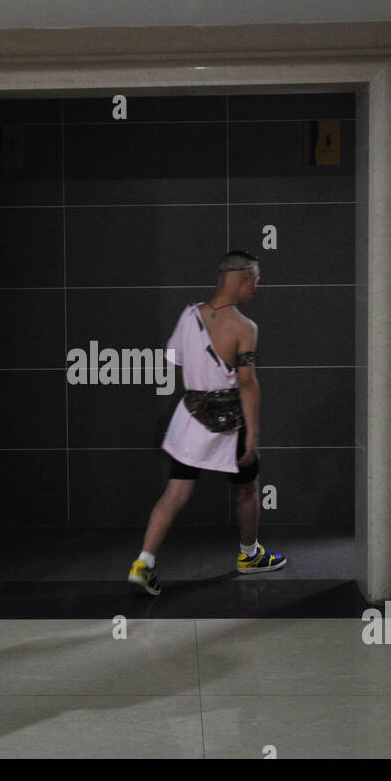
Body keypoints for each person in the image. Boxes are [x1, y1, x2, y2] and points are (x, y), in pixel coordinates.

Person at [129, 250, 286, 595]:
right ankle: (248, 555)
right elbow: (247, 383)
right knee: (247, 490)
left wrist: (201, 390)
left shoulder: (189, 316)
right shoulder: (245, 327)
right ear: (242, 278)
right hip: (231, 423)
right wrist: (253, 436)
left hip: (189, 418)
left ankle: (144, 560)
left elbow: (178, 363)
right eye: (256, 281)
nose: (256, 288)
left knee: (175, 493)